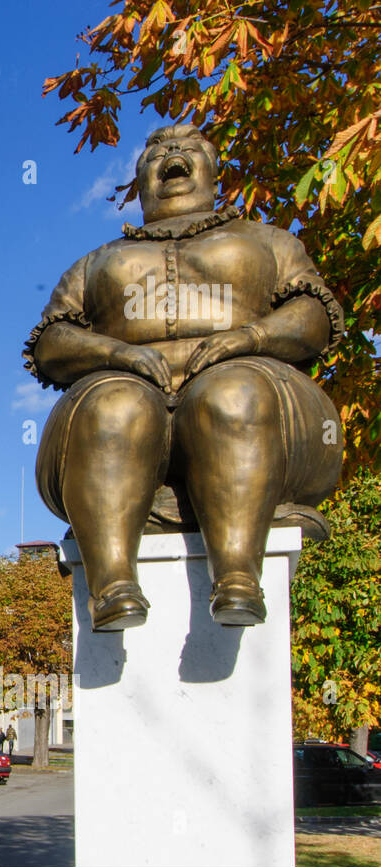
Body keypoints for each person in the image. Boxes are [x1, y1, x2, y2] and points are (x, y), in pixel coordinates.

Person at [24, 124, 343, 630]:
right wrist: (116, 353)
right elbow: (50, 342)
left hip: (257, 394)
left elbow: (315, 316)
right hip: (124, 399)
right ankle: (112, 586)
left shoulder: (269, 242)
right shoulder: (97, 262)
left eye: (186, 148)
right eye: (156, 152)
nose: (171, 154)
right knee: (115, 407)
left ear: (214, 172)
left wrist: (250, 338)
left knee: (230, 393)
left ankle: (238, 576)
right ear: (141, 180)